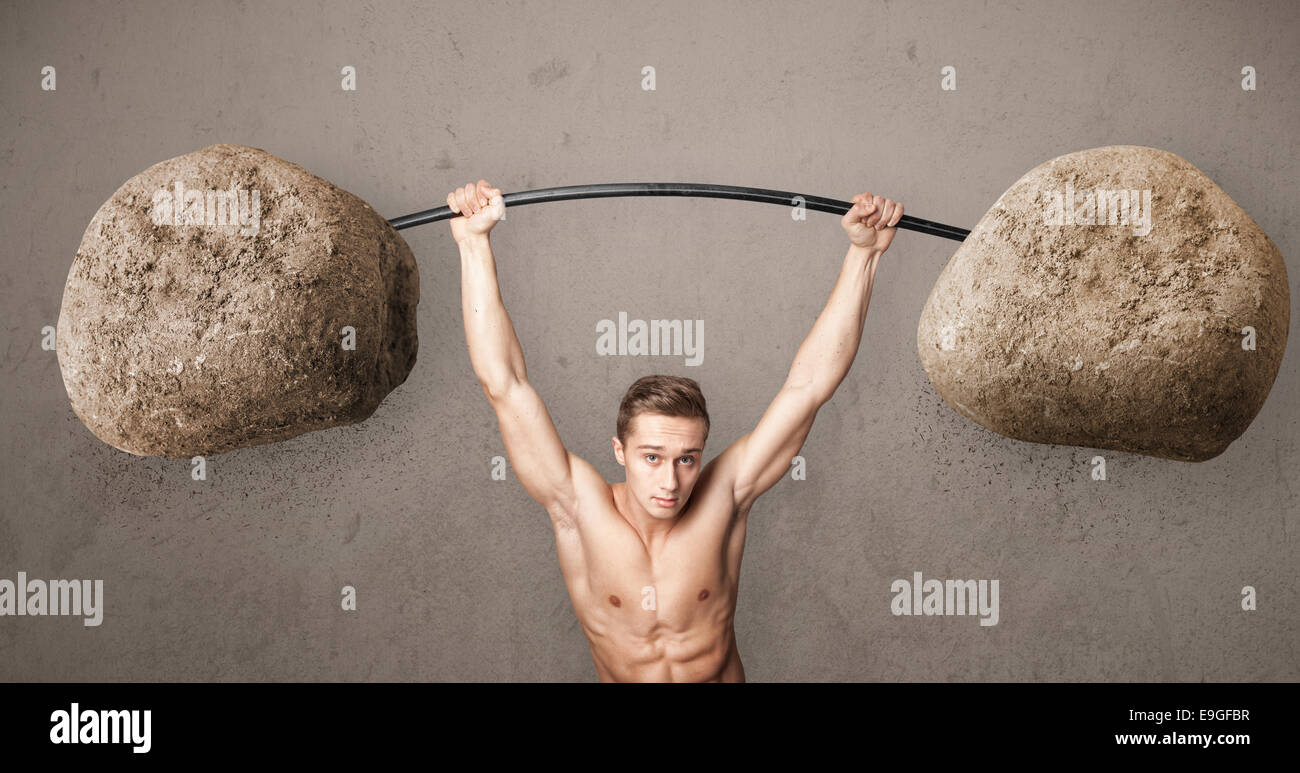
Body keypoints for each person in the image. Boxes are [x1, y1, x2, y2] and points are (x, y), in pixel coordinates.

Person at [449, 179, 903, 681]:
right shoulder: (578, 507)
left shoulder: (725, 495)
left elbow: (810, 386)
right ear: (619, 450)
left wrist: (864, 255)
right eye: (652, 458)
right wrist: (474, 242)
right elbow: (505, 384)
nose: (671, 482)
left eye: (687, 458)